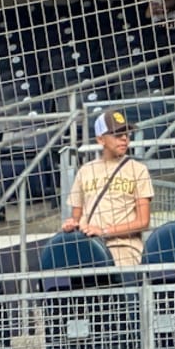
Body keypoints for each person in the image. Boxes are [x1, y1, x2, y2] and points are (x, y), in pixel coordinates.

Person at [63, 109, 154, 266]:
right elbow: (76, 218)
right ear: (101, 139)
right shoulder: (85, 170)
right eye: (117, 134)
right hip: (89, 249)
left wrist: (105, 231)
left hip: (124, 250)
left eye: (127, 134)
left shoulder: (138, 169)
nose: (124, 138)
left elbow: (143, 221)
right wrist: (71, 225)